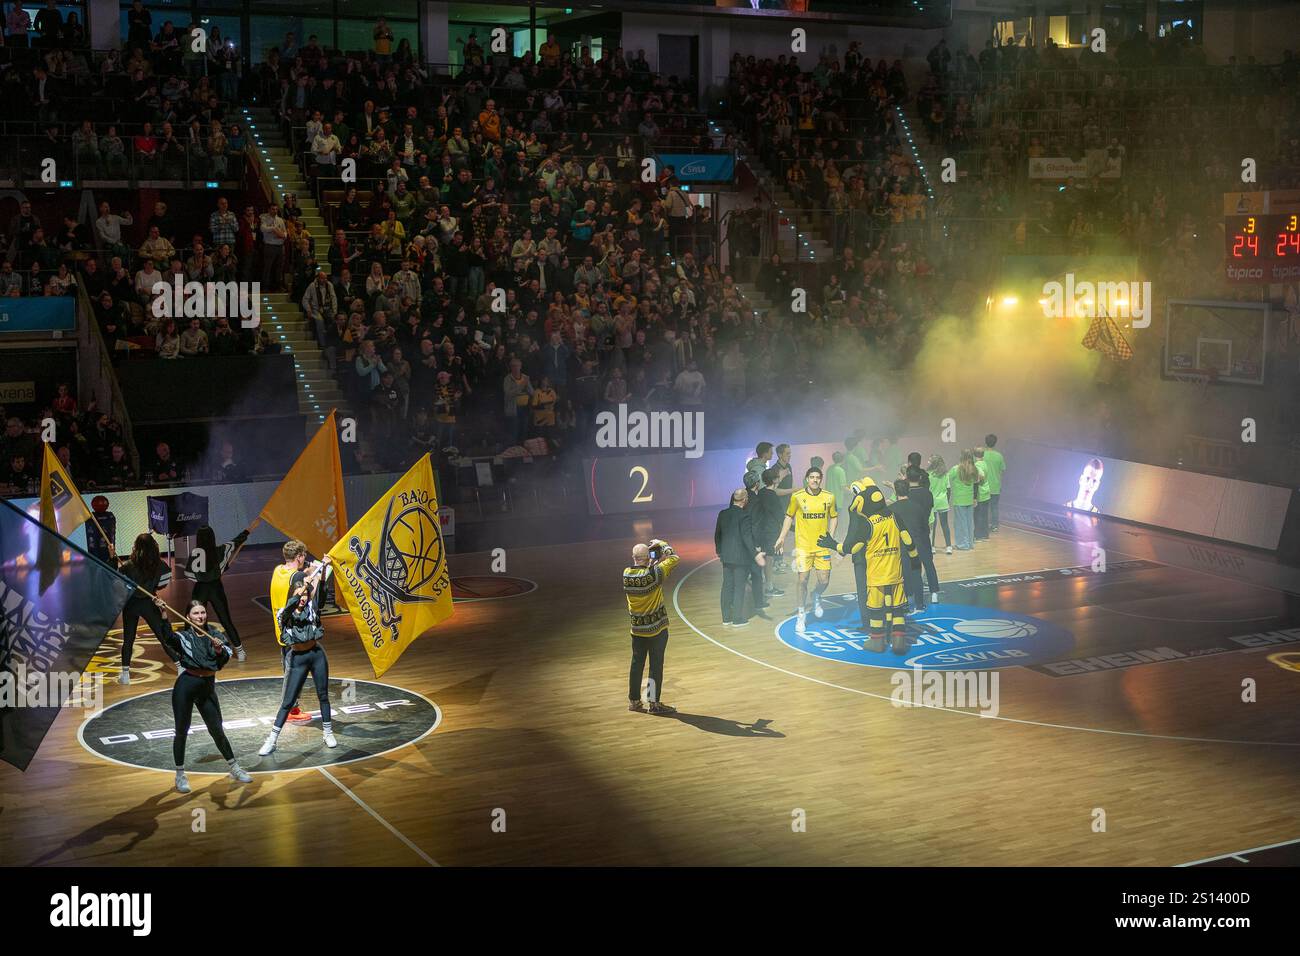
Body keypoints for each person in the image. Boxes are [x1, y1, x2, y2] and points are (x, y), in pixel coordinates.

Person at [160, 601, 254, 792]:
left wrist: (218, 650)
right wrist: (163, 614)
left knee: (217, 730)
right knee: (181, 731)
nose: (200, 616)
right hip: (186, 686)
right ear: (188, 617)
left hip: (207, 687)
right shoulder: (184, 636)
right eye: (196, 613)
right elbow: (167, 638)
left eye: (203, 612)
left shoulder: (216, 635)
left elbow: (223, 660)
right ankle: (180, 776)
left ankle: (234, 767)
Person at [820, 485, 919, 654]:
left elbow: (853, 548)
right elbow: (908, 539)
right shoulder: (894, 517)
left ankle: (877, 642)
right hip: (895, 573)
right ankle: (899, 641)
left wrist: (832, 544)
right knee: (897, 609)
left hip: (876, 576)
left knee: (876, 610)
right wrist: (915, 559)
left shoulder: (868, 524)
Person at [259, 555, 338, 754]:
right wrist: (302, 588)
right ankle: (272, 739)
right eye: (299, 594)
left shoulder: (311, 607)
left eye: (304, 595)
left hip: (317, 655)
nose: (303, 598)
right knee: (287, 702)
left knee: (323, 696)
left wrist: (322, 571)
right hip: (297, 659)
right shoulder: (284, 613)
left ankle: (328, 732)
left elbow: (320, 592)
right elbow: (290, 606)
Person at [775, 466, 838, 635]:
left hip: (822, 547)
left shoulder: (829, 497)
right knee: (802, 580)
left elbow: (834, 516)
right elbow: (789, 516)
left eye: (818, 477)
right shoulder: (797, 497)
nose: (815, 480)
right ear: (806, 479)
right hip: (803, 547)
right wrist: (782, 537)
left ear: (821, 479)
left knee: (824, 581)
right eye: (812, 477)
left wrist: (830, 537)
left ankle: (816, 595)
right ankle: (801, 615)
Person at [623, 538, 680, 714]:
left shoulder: (626, 573)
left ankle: (634, 701)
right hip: (656, 629)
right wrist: (662, 544)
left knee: (636, 663)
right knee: (655, 665)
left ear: (633, 557)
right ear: (648, 557)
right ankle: (653, 703)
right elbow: (674, 558)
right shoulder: (654, 573)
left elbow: (643, 573)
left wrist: (651, 561)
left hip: (637, 628)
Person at [185, 525, 251, 661]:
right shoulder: (220, 550)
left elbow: (189, 574)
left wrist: (203, 577)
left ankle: (189, 652)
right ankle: (240, 652)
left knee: (192, 621)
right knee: (225, 620)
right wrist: (246, 532)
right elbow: (236, 541)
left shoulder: (195, 554)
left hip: (200, 589)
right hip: (216, 588)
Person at [117, 533, 174, 685]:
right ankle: (180, 666)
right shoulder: (160, 565)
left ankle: (125, 675)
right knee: (163, 636)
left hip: (131, 605)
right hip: (149, 603)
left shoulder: (128, 565)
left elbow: (117, 584)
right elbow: (165, 581)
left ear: (137, 547)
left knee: (128, 639)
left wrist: (114, 561)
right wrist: (154, 587)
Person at [715, 488, 766, 627]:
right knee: (739, 587)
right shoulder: (745, 516)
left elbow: (717, 534)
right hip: (740, 557)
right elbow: (747, 538)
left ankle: (726, 618)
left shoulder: (723, 513)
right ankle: (737, 618)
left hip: (726, 556)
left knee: (727, 586)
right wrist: (755, 555)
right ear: (745, 500)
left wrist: (719, 551)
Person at [947, 450, 979, 550]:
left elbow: (947, 478)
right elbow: (976, 482)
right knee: (970, 522)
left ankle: (962, 544)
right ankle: (970, 543)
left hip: (959, 500)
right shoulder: (974, 469)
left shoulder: (955, 469)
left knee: (960, 523)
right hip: (969, 499)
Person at [928, 455, 952, 554]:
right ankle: (949, 546)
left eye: (930, 460)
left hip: (932, 503)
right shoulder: (945, 474)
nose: (928, 462)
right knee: (945, 525)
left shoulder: (929, 474)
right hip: (943, 503)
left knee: (932, 525)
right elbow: (948, 489)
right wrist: (947, 500)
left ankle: (932, 546)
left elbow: (927, 489)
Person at [983, 434, 1005, 531]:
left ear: (985, 442)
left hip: (983, 486)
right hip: (995, 486)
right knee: (994, 507)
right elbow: (1002, 470)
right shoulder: (999, 456)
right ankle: (995, 525)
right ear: (995, 443)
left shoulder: (981, 455)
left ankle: (983, 524)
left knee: (984, 507)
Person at [973, 447, 992, 540]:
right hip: (987, 491)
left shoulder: (977, 465)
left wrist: (978, 479)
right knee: (985, 515)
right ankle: (985, 534)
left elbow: (981, 476)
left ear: (974, 455)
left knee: (978, 515)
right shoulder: (985, 463)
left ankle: (979, 535)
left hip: (980, 493)